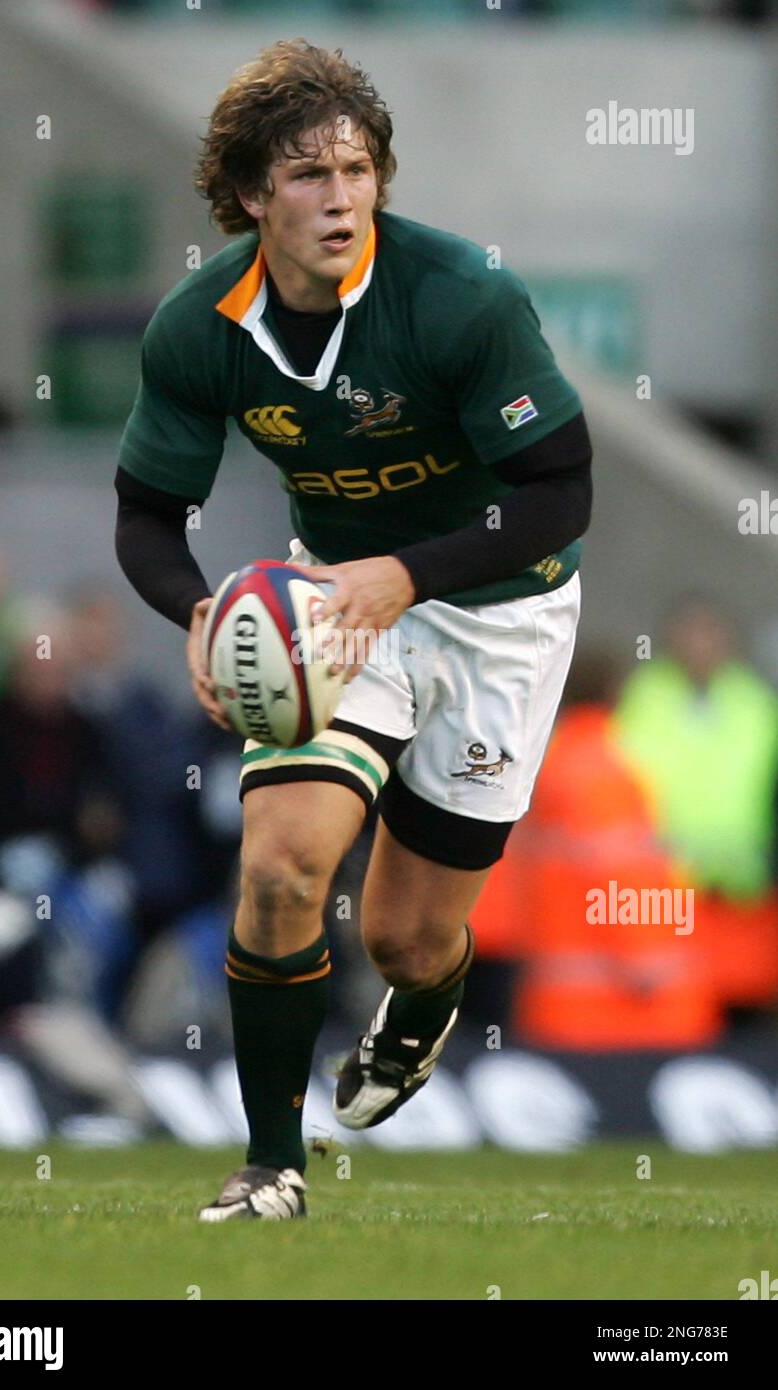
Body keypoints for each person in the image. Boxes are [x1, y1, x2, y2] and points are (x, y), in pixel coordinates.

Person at [114, 38, 592, 1220]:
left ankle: (421, 1011)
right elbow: (145, 515)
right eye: (306, 177)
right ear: (247, 196)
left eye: (356, 169)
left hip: (503, 612)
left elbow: (559, 489)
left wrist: (410, 572)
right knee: (278, 864)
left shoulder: (458, 296)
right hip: (332, 604)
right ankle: (271, 1162)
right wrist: (201, 612)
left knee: (405, 938)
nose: (339, 198)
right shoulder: (198, 326)